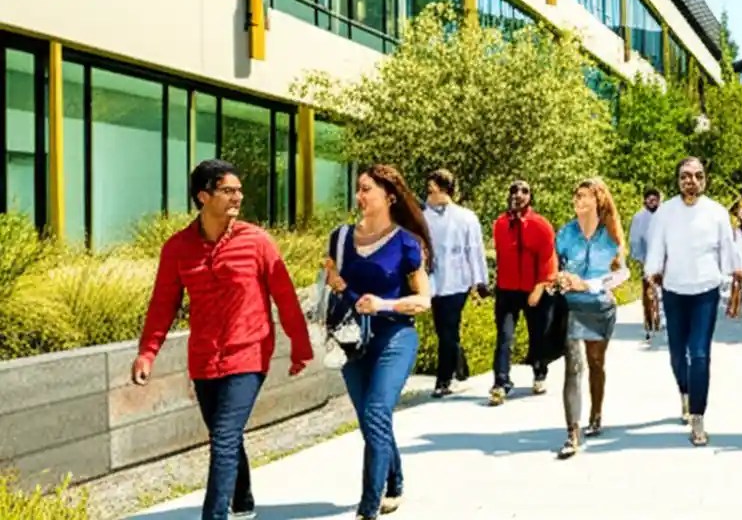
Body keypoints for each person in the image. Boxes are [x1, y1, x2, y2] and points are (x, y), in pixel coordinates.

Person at [132, 159, 313, 520]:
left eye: (239, 191)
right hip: (204, 358)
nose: (238, 197)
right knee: (224, 435)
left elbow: (285, 297)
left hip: (249, 352)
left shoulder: (257, 242)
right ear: (203, 196)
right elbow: (163, 304)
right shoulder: (178, 248)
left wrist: (300, 345)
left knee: (225, 436)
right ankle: (242, 501)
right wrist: (147, 353)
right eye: (228, 191)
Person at [323, 164, 432, 520]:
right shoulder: (341, 238)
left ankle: (367, 507)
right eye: (358, 188)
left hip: (394, 336)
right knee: (372, 421)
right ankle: (395, 481)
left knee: (376, 412)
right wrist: (334, 281)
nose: (360, 195)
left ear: (390, 196)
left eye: (367, 188)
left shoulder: (406, 243)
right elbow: (333, 281)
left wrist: (383, 304)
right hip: (351, 339)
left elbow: (424, 300)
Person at [644, 157, 742, 446]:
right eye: (686, 176)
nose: (692, 181)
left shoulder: (716, 213)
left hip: (706, 291)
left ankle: (698, 417)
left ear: (704, 180)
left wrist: (736, 282)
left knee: (699, 353)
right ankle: (685, 392)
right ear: (678, 180)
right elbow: (656, 248)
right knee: (677, 353)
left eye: (698, 175)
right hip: (674, 291)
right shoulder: (665, 213)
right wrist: (652, 276)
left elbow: (728, 250)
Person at [529, 178, 630, 458]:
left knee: (596, 363)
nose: (578, 200)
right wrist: (558, 280)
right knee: (573, 366)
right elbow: (553, 267)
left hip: (599, 307)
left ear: (598, 200)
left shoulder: (610, 235)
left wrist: (588, 284)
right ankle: (572, 433)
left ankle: (596, 414)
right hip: (570, 308)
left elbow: (622, 273)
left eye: (584, 195)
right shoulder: (565, 233)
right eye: (576, 195)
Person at [421, 168, 488, 398]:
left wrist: (480, 281)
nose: (428, 195)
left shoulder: (466, 217)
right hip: (433, 282)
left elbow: (475, 250)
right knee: (444, 330)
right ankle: (458, 361)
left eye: (431, 190)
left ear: (443, 190)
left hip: (458, 281)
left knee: (448, 328)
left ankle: (443, 380)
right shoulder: (423, 217)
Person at [491, 179, 559, 405]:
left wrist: (539, 288)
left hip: (535, 289)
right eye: (514, 190)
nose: (518, 194)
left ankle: (539, 372)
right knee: (504, 336)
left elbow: (548, 260)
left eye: (524, 191)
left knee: (538, 335)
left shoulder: (541, 225)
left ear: (530, 196)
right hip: (507, 289)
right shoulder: (500, 224)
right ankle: (501, 382)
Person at [628, 187, 663, 339]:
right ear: (645, 201)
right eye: (649, 199)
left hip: (665, 260)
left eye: (655, 199)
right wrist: (640, 259)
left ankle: (663, 318)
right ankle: (649, 321)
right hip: (647, 259)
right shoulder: (639, 218)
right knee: (648, 292)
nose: (652, 202)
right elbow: (635, 240)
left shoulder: (667, 215)